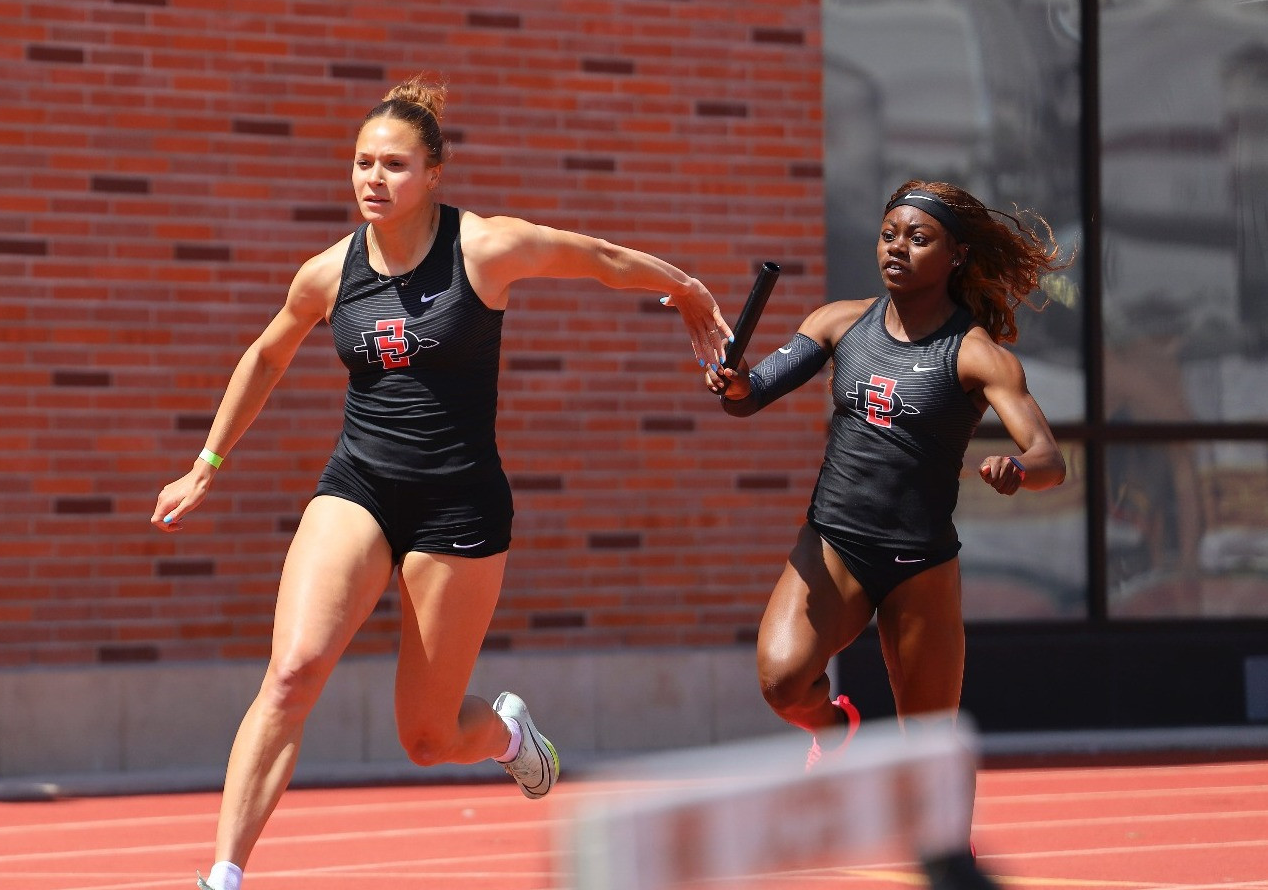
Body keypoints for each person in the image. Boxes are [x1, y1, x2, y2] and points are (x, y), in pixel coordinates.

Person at [151, 74, 731, 890]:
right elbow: (267, 354)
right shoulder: (329, 272)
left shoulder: (483, 248)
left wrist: (686, 287)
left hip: (458, 503)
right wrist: (205, 465)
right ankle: (223, 875)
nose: (372, 179)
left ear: (433, 173)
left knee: (425, 737)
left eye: (393, 164)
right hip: (358, 487)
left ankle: (504, 734)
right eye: (361, 163)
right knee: (290, 673)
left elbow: (595, 258)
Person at [706, 180, 1070, 781]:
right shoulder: (839, 323)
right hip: (834, 545)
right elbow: (749, 396)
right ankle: (836, 730)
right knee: (782, 682)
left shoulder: (977, 355)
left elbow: (1050, 460)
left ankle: (954, 862)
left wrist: (1017, 469)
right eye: (888, 235)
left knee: (929, 749)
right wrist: (740, 383)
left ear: (956, 255)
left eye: (918, 238)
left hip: (920, 565)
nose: (896, 248)